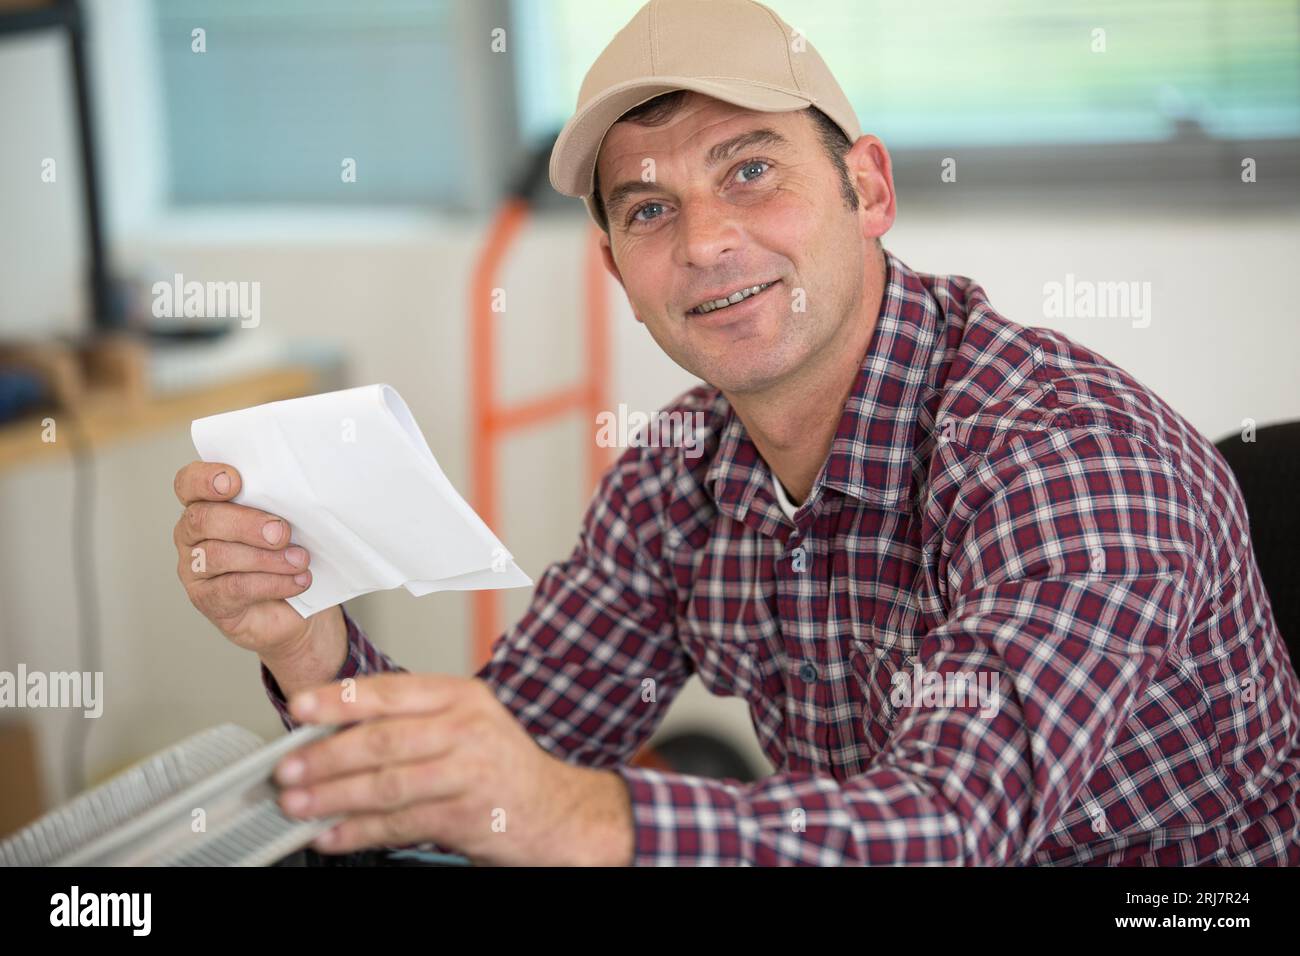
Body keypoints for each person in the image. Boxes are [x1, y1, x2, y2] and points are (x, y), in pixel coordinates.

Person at [171, 0, 1300, 865]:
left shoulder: (1065, 454)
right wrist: (306, 640)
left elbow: (954, 827)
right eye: (650, 207)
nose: (706, 241)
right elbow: (514, 755)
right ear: (619, 269)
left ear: (867, 188)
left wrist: (579, 814)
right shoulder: (682, 469)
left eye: (750, 169)